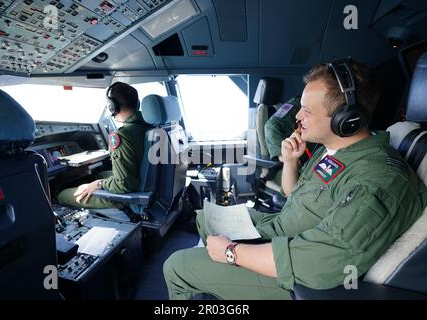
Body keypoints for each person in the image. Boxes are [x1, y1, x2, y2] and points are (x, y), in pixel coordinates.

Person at [163, 59, 427, 300]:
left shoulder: (379, 180)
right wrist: (291, 161)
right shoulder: (332, 150)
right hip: (283, 228)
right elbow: (295, 194)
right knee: (204, 217)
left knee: (176, 266)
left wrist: (233, 252)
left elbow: (321, 261)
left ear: (347, 120)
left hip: (298, 276)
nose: (298, 117)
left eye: (307, 110)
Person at [58, 82, 152, 209]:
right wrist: (99, 181)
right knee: (101, 174)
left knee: (63, 195)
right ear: (138, 104)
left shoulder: (122, 136)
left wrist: (98, 184)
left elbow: (123, 185)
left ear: (112, 106)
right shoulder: (151, 127)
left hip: (131, 196)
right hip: (149, 184)